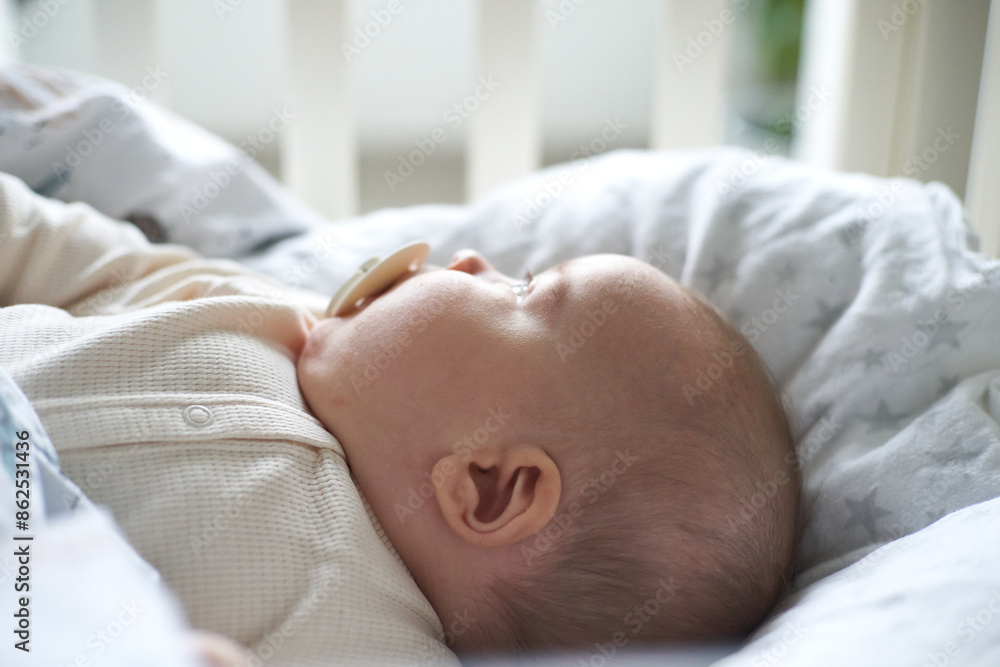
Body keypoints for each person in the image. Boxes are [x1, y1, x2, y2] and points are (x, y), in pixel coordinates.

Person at [0, 170, 799, 658]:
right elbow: (58, 251)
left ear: (491, 489)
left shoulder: (368, 645)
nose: (472, 260)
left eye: (521, 291)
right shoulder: (257, 310)